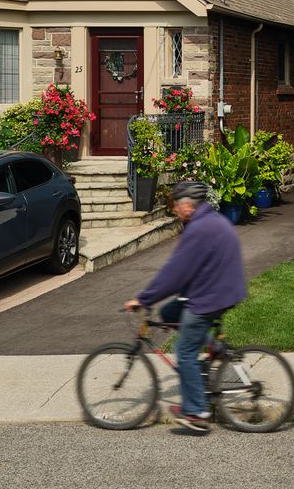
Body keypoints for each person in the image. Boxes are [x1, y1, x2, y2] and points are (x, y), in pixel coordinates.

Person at [124, 180, 247, 434]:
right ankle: (213, 347)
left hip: (212, 295)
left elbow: (174, 274)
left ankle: (196, 412)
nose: (175, 210)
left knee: (185, 351)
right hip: (220, 288)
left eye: (176, 205)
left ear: (189, 206)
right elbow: (186, 270)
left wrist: (144, 299)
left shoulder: (198, 230)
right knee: (169, 312)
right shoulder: (208, 221)